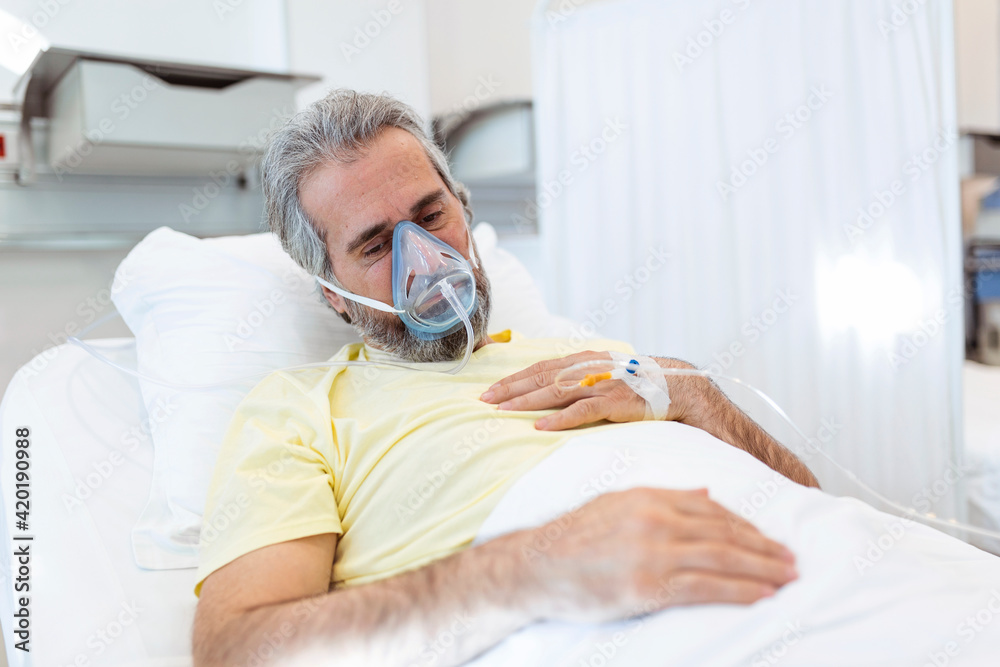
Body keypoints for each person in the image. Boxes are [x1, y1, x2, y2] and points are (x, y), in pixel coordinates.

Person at [191, 90, 818, 667]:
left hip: (817, 575)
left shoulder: (610, 362)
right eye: (377, 246)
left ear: (461, 210)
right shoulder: (298, 413)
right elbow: (234, 647)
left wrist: (696, 394)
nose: (424, 261)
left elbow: (808, 504)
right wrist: (525, 569)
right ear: (334, 295)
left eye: (431, 216)